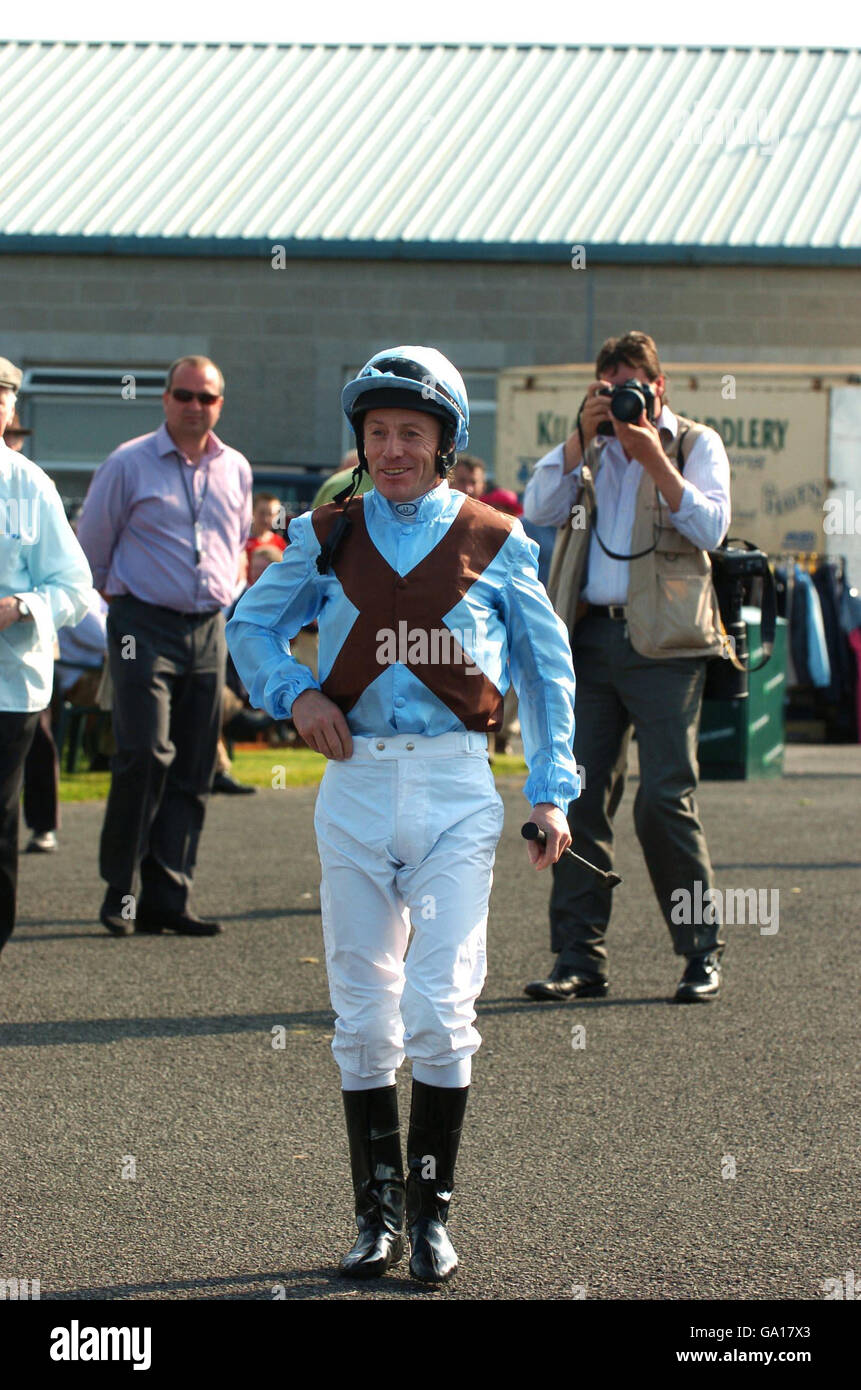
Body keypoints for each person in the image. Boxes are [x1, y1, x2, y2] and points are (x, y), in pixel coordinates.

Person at [227, 346, 579, 1284]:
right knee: (362, 1014)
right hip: (353, 786)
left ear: (444, 443)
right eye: (376, 433)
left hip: (458, 788)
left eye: (410, 434)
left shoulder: (497, 542)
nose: (391, 449)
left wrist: (551, 791)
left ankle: (432, 1217)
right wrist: (295, 695)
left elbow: (546, 673)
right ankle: (374, 1220)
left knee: (437, 1006)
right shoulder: (325, 534)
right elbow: (248, 626)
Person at [522, 331, 731, 1005]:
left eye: (632, 386)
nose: (620, 398)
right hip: (588, 643)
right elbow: (536, 510)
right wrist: (580, 444)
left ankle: (699, 951)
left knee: (663, 800)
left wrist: (654, 461)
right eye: (607, 387)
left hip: (667, 646)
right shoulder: (588, 449)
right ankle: (578, 956)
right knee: (578, 799)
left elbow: (710, 529)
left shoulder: (694, 443)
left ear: (658, 387)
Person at [77, 354, 252, 938]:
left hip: (208, 627)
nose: (194, 407)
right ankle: (120, 894)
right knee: (145, 754)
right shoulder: (127, 463)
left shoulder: (236, 468)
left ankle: (168, 899)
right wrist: (118, 619)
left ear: (220, 404)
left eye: (206, 398)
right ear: (165, 398)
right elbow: (92, 554)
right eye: (184, 395)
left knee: (196, 763)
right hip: (140, 624)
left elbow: (237, 545)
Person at [0, 356, 91, 952]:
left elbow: (75, 588)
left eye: (2, 395)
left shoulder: (30, 484)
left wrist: (22, 606)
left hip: (11, 686)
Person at [245, 493, 288, 562]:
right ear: (252, 511)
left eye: (270, 514)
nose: (266, 519)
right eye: (262, 513)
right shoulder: (241, 541)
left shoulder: (280, 543)